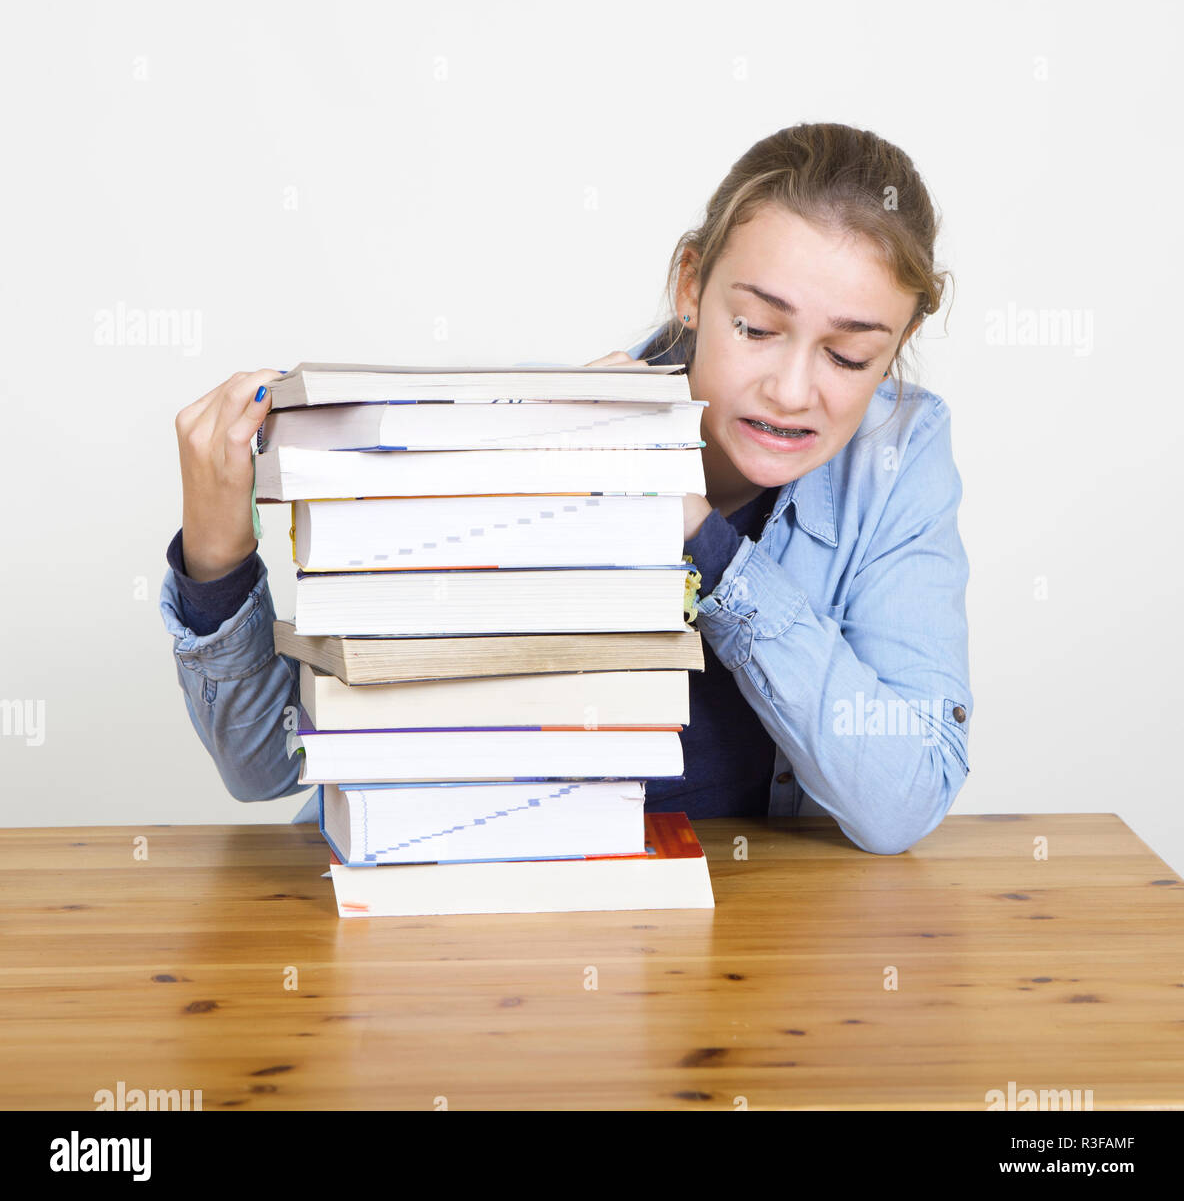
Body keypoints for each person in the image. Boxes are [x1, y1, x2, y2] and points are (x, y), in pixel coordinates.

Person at [160, 121, 971, 855]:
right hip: (482, 911)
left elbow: (901, 801)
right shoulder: (517, 427)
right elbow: (269, 765)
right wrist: (217, 554)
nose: (794, 390)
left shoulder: (897, 456)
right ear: (691, 284)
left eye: (849, 357)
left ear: (899, 344)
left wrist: (704, 543)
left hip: (742, 944)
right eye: (757, 329)